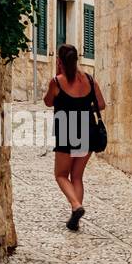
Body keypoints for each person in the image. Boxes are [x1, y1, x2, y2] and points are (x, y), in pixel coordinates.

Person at [44, 43, 106, 230]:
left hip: (66, 129)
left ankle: (76, 206)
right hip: (87, 129)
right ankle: (75, 216)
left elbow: (48, 102)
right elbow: (101, 104)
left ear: (60, 61)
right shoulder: (89, 79)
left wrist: (57, 74)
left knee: (61, 175)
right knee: (77, 177)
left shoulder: (57, 81)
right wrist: (84, 109)